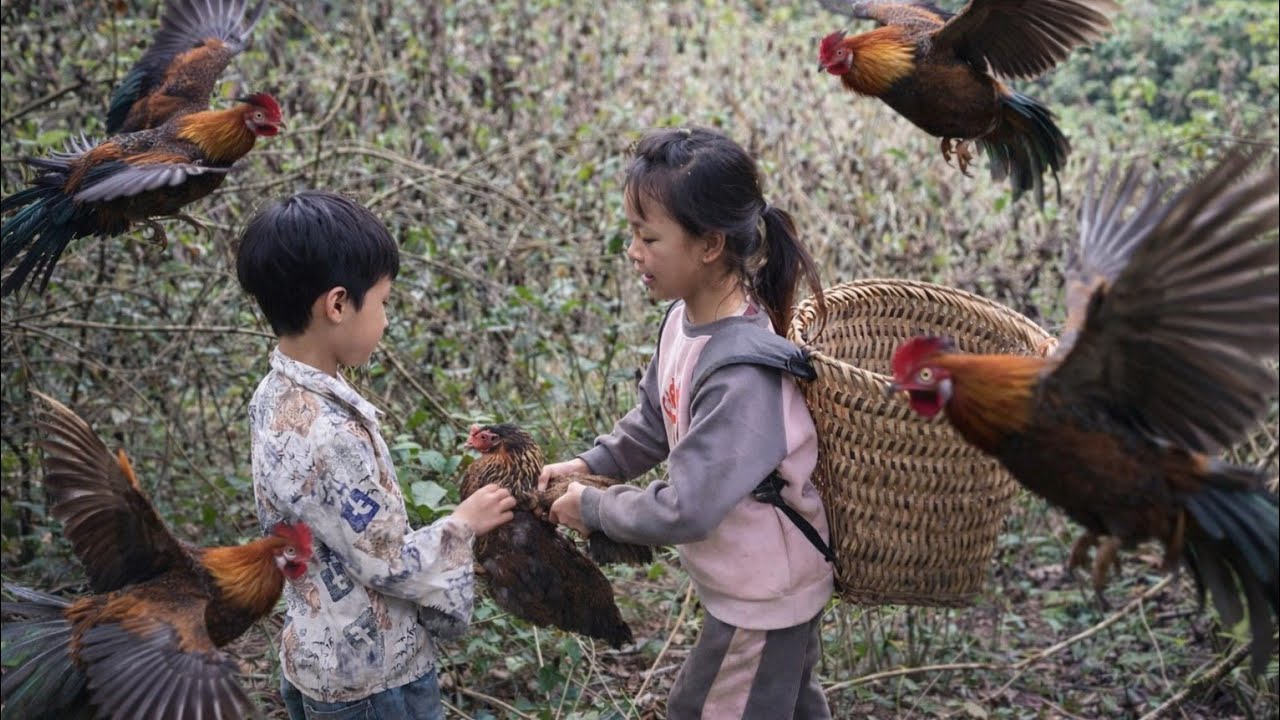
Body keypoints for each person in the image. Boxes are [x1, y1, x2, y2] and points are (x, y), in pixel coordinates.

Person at [540, 127, 834, 719]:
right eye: (633, 234)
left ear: (709, 245)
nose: (634, 251)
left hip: (764, 593)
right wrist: (589, 466)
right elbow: (655, 417)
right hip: (758, 583)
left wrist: (594, 508)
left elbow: (689, 509)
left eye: (649, 237)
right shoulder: (683, 321)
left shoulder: (742, 372)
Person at [236, 190, 517, 720]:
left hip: (316, 660)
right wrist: (463, 523)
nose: (386, 319)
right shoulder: (331, 432)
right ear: (338, 304)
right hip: (374, 684)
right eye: (383, 301)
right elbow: (387, 563)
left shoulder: (273, 396)